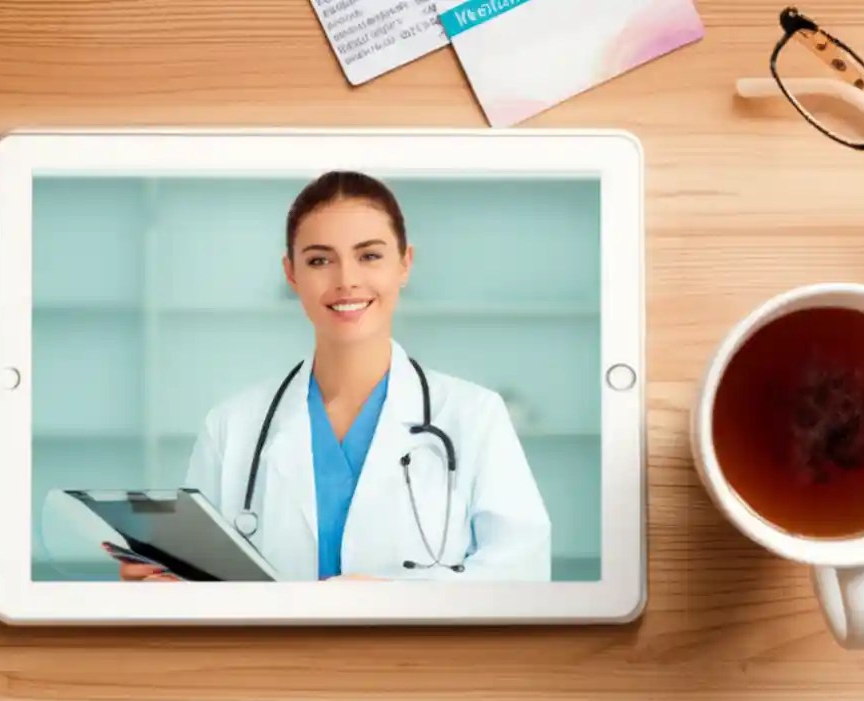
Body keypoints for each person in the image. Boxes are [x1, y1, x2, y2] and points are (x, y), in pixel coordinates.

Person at [113, 170, 552, 582]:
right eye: (320, 260)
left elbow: (522, 574)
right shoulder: (232, 426)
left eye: (370, 256)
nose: (346, 280)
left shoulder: (474, 415)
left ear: (404, 264)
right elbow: (202, 584)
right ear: (291, 273)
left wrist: (395, 599)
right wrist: (168, 583)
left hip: (417, 645)